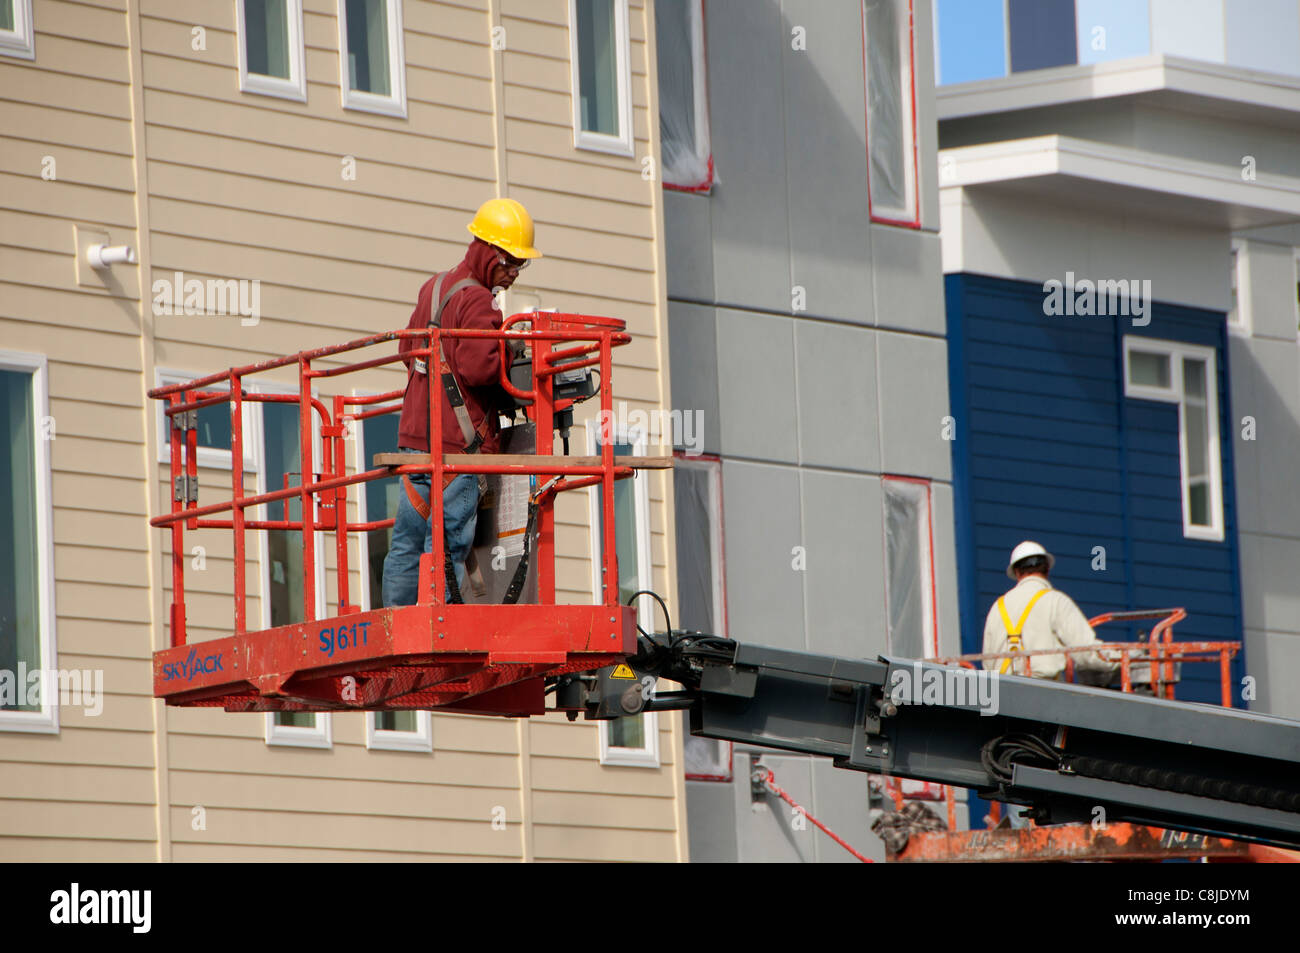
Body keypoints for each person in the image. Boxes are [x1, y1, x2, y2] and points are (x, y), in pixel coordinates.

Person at [380, 198, 541, 607]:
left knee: (408, 540)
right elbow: (481, 370)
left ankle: (397, 620)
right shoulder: (479, 301)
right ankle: (442, 624)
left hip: (416, 438)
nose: (514, 274)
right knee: (450, 541)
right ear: (490, 252)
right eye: (511, 262)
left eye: (521, 265)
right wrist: (513, 366)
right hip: (456, 446)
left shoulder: (433, 288)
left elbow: (405, 349)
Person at [982, 541, 1118, 681]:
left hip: (1001, 694)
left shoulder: (997, 608)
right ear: (1047, 570)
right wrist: (1125, 658)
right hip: (1045, 692)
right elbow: (1086, 653)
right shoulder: (1056, 601)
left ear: (1016, 573)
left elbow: (987, 662)